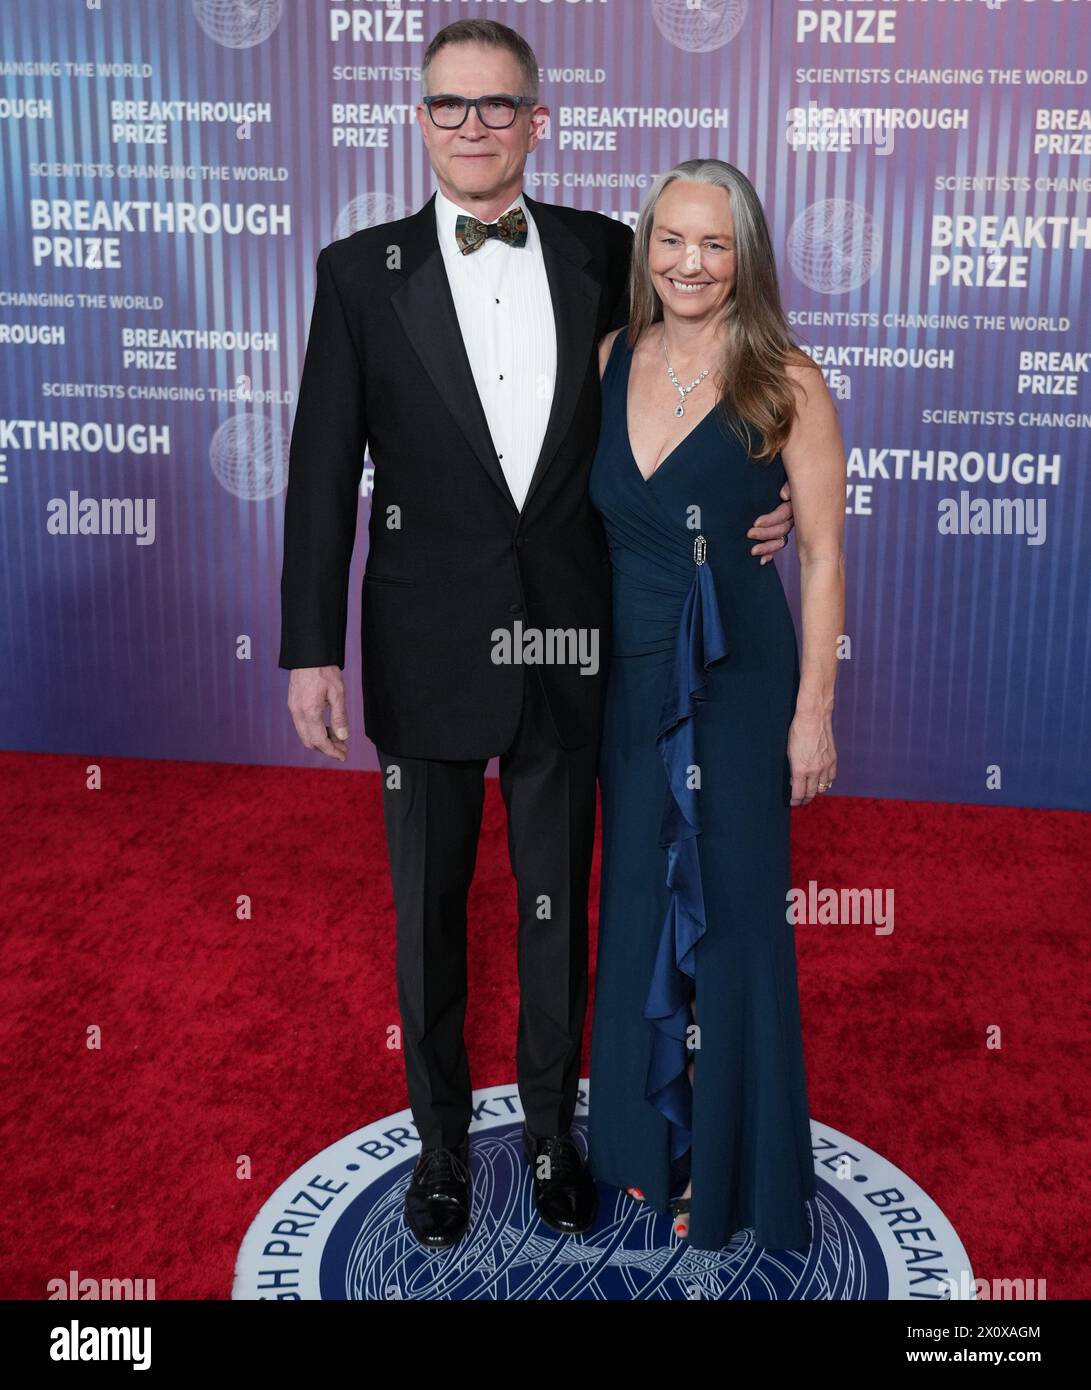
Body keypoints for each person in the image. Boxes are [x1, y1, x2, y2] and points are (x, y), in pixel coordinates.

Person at [279, 21, 796, 1251]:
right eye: (449, 106)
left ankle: (559, 1134)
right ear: (418, 120)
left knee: (563, 906)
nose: (472, 126)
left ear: (537, 120)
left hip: (577, 648)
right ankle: (444, 1148)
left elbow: (696, 376)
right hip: (424, 651)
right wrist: (311, 645)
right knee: (429, 915)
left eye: (496, 106)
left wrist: (750, 500)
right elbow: (317, 473)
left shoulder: (603, 252)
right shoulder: (359, 272)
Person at [587, 159, 845, 1250]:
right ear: (645, 249)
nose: (688, 264)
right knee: (638, 903)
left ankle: (735, 1168)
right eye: (669, 241)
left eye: (712, 244)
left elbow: (824, 556)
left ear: (745, 255)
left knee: (734, 918)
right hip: (628, 675)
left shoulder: (786, 378)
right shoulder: (610, 357)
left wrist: (812, 711)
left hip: (737, 679)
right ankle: (644, 1153)